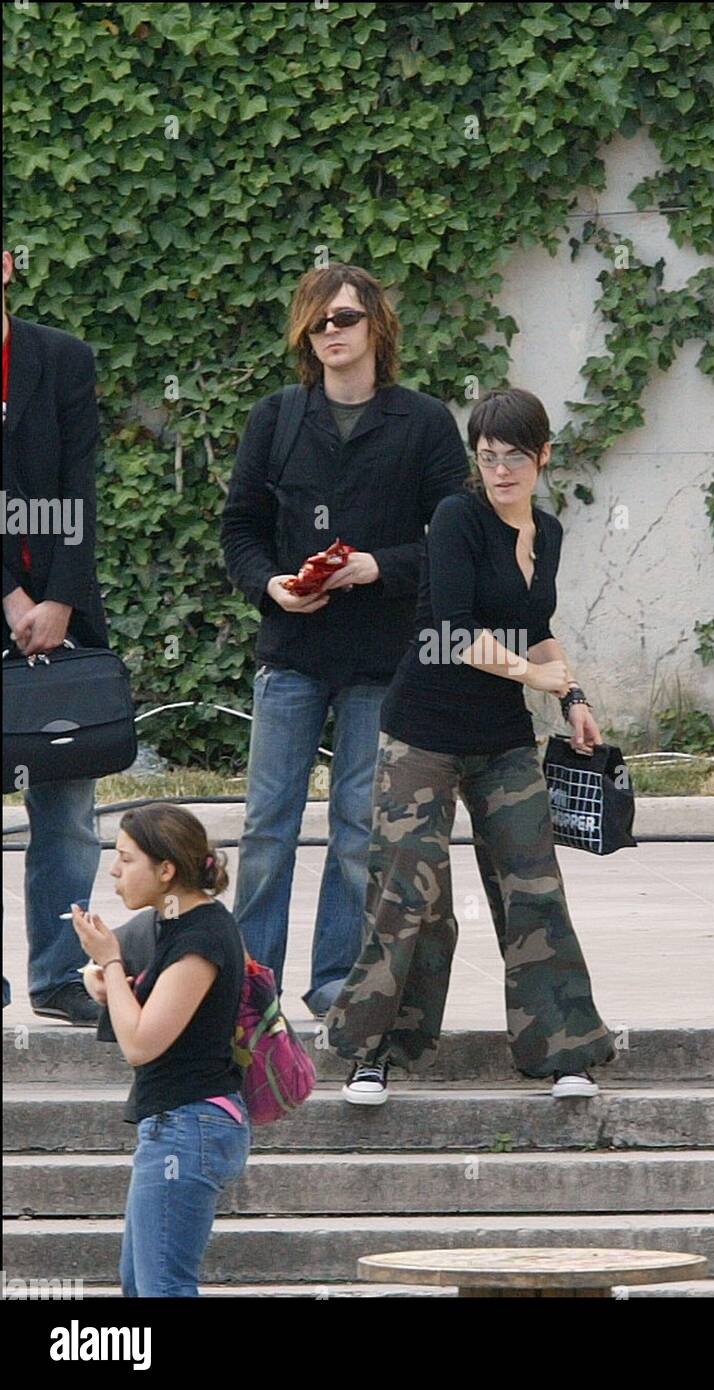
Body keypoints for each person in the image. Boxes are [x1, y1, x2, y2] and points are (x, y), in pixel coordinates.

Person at [326, 388, 616, 1103]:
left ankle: (562, 1051)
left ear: (543, 456)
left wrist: (571, 697)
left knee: (533, 887)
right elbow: (455, 632)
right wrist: (533, 674)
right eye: (487, 457)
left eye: (515, 456)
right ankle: (374, 1052)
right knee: (409, 892)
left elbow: (536, 624)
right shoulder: (458, 518)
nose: (500, 470)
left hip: (501, 739)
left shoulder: (545, 531)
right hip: (423, 731)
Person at [221, 262, 468, 1017]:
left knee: (360, 830)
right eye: (321, 320)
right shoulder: (276, 419)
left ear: (377, 329)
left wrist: (376, 567)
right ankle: (247, 989)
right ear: (306, 331)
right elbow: (240, 529)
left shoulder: (423, 422)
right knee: (267, 827)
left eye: (348, 318)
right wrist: (270, 585)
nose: (334, 331)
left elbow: (459, 539)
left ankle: (335, 982)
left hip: (381, 655)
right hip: (291, 652)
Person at [74, 804, 249, 1298]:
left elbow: (141, 1044)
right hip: (177, 1122)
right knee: (140, 1284)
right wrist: (102, 975)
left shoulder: (200, 938)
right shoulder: (170, 921)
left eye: (127, 860)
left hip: (189, 1125)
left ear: (166, 870)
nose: (113, 870)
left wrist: (108, 964)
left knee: (163, 1288)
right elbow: (106, 970)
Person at [2, 246, 106, 1025]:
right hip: (6, 606)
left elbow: (81, 485)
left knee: (68, 810)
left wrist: (61, 601)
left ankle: (59, 974)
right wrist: (9, 598)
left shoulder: (61, 359)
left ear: (7, 266)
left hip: (62, 619)